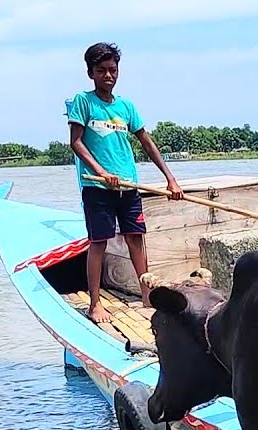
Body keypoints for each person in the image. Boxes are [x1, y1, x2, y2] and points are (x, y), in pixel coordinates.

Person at [67, 41, 185, 325]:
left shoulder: (126, 106)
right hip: (98, 187)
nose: (108, 75)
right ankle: (95, 304)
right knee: (98, 242)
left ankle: (147, 295)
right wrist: (100, 170)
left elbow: (146, 141)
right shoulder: (83, 102)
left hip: (129, 186)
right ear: (91, 73)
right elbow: (75, 143)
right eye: (101, 70)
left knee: (135, 238)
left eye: (112, 69)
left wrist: (170, 179)